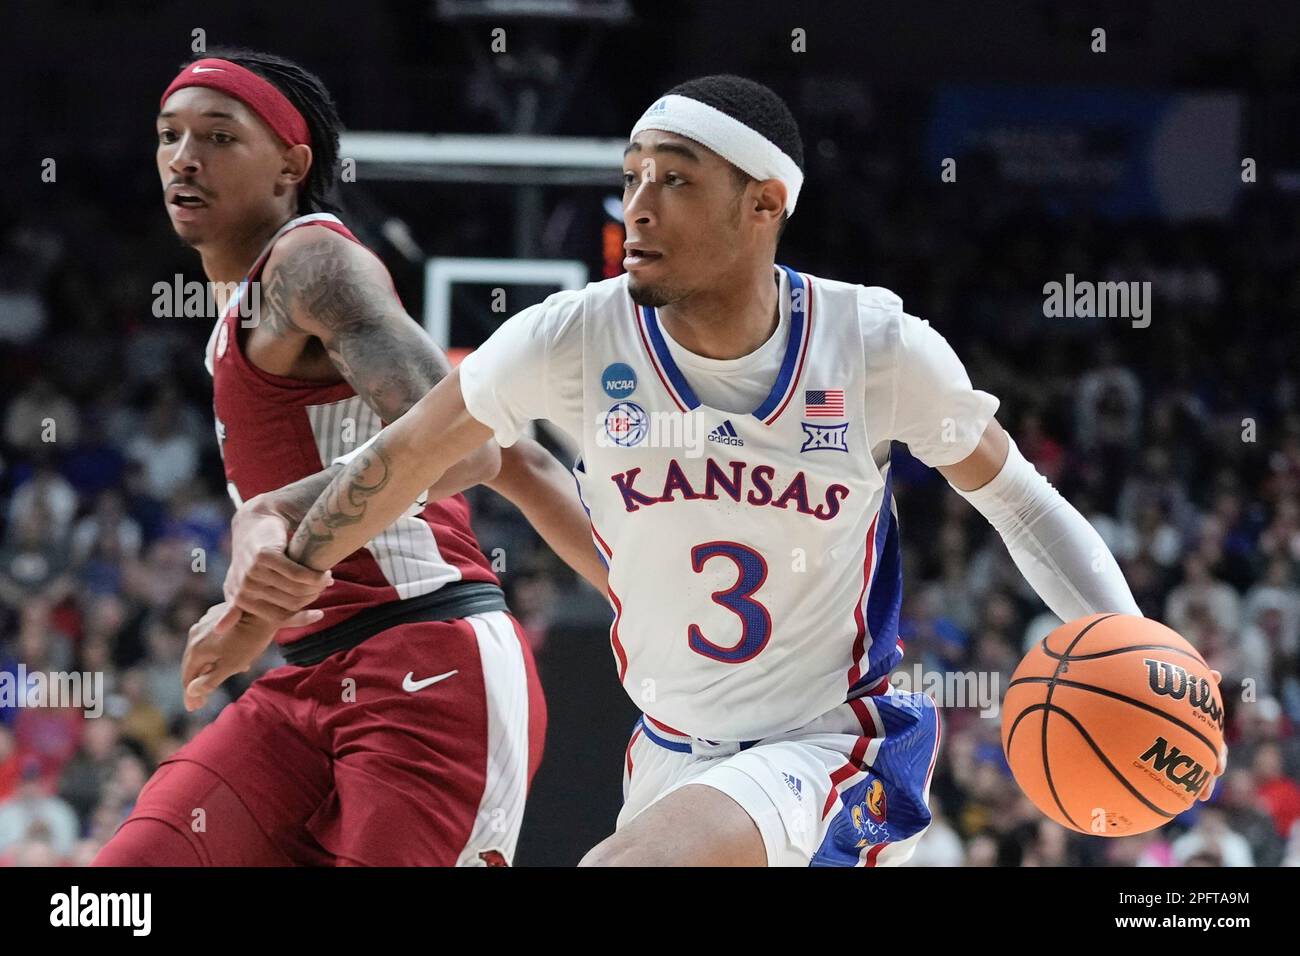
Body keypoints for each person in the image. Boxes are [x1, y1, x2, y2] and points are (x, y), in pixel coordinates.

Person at [203, 74, 1224, 866]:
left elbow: (1018, 499)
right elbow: (406, 458)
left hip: (834, 744)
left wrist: (1130, 640)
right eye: (632, 174)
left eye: (676, 176)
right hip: (669, 748)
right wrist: (279, 573)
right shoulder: (568, 337)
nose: (638, 203)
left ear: (763, 202)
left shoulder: (872, 347)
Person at [94, 49, 604, 867]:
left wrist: (272, 518)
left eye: (219, 137)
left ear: (291, 166)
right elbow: (528, 464)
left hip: (430, 669)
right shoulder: (248, 307)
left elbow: (462, 448)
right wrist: (652, 613)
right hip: (308, 680)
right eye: (169, 135)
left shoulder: (313, 266)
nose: (184, 157)